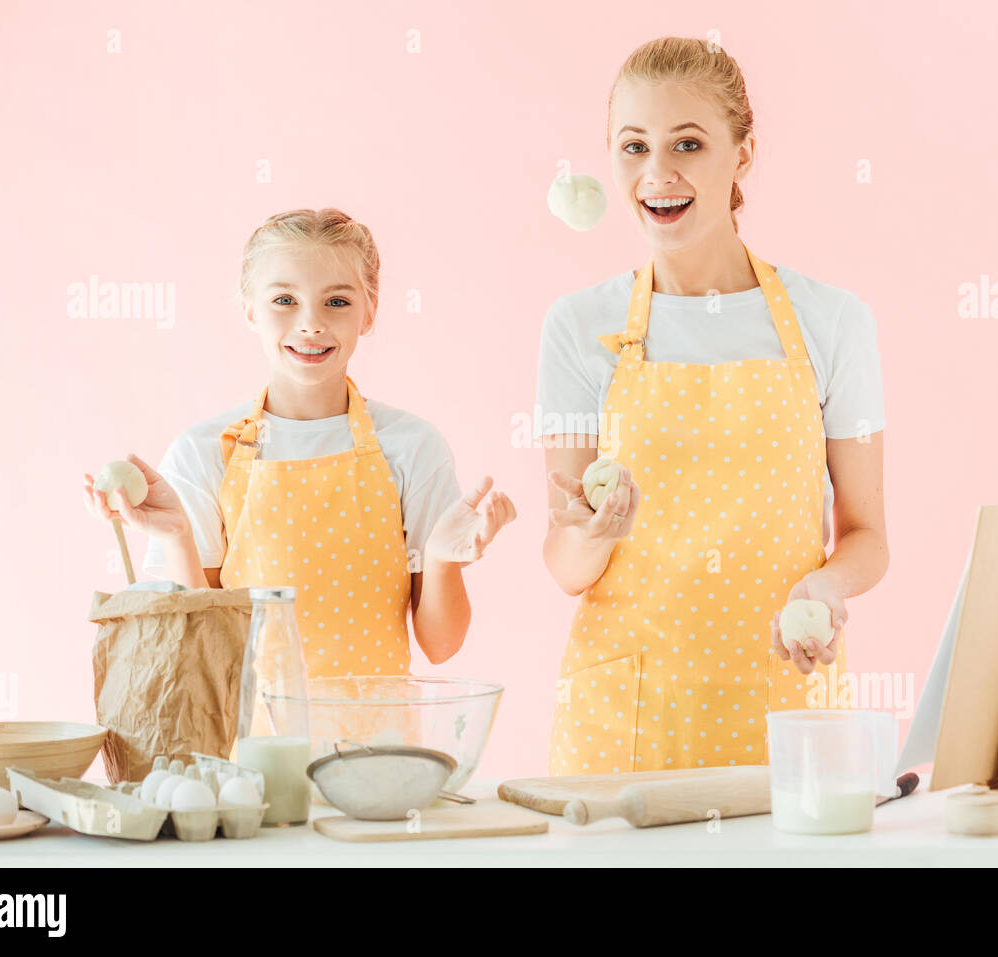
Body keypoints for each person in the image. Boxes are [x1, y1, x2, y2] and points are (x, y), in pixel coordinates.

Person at [537, 38, 888, 774]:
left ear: (743, 154)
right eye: (633, 147)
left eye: (688, 144)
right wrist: (596, 532)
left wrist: (822, 586)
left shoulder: (833, 321)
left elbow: (865, 534)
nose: (657, 175)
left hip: (785, 704)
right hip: (624, 723)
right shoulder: (578, 327)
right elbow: (566, 564)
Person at [84, 208, 516, 676]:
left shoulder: (412, 446)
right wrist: (178, 538)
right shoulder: (205, 451)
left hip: (375, 744)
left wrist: (439, 560)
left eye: (337, 302)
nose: (310, 324)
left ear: (369, 312)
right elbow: (198, 656)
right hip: (246, 746)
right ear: (250, 309)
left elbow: (442, 644)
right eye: (285, 300)